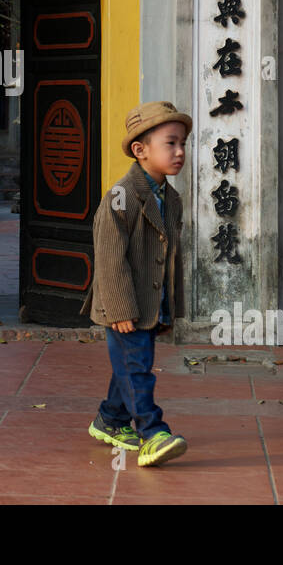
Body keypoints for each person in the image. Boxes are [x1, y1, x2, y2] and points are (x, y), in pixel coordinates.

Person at [80, 100, 192, 467]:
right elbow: (110, 259)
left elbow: (168, 258)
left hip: (149, 303)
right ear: (141, 151)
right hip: (123, 305)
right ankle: (152, 432)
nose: (179, 152)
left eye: (183, 144)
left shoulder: (169, 199)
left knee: (129, 364)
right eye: (170, 143)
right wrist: (120, 309)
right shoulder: (121, 197)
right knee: (137, 367)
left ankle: (110, 420)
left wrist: (168, 307)